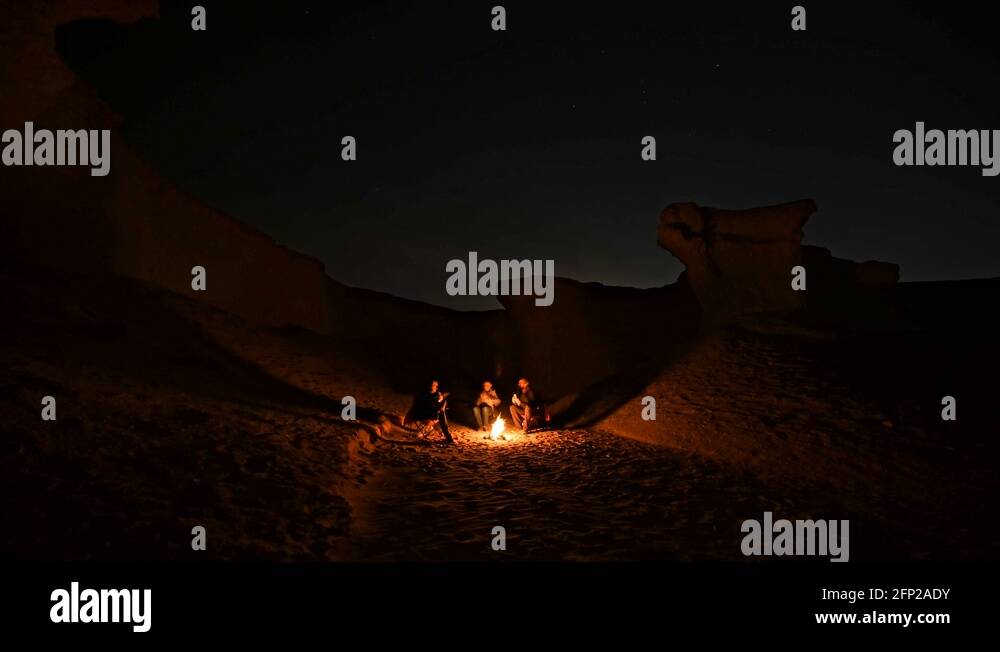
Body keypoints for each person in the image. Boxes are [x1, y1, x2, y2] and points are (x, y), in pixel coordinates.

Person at [405, 380, 453, 444]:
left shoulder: (434, 395)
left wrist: (440, 400)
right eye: (431, 385)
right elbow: (427, 406)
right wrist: (440, 400)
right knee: (442, 411)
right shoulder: (424, 395)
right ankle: (448, 436)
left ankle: (448, 436)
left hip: (430, 414)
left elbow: (434, 405)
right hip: (422, 415)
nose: (431, 386)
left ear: (436, 387)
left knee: (442, 407)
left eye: (433, 385)